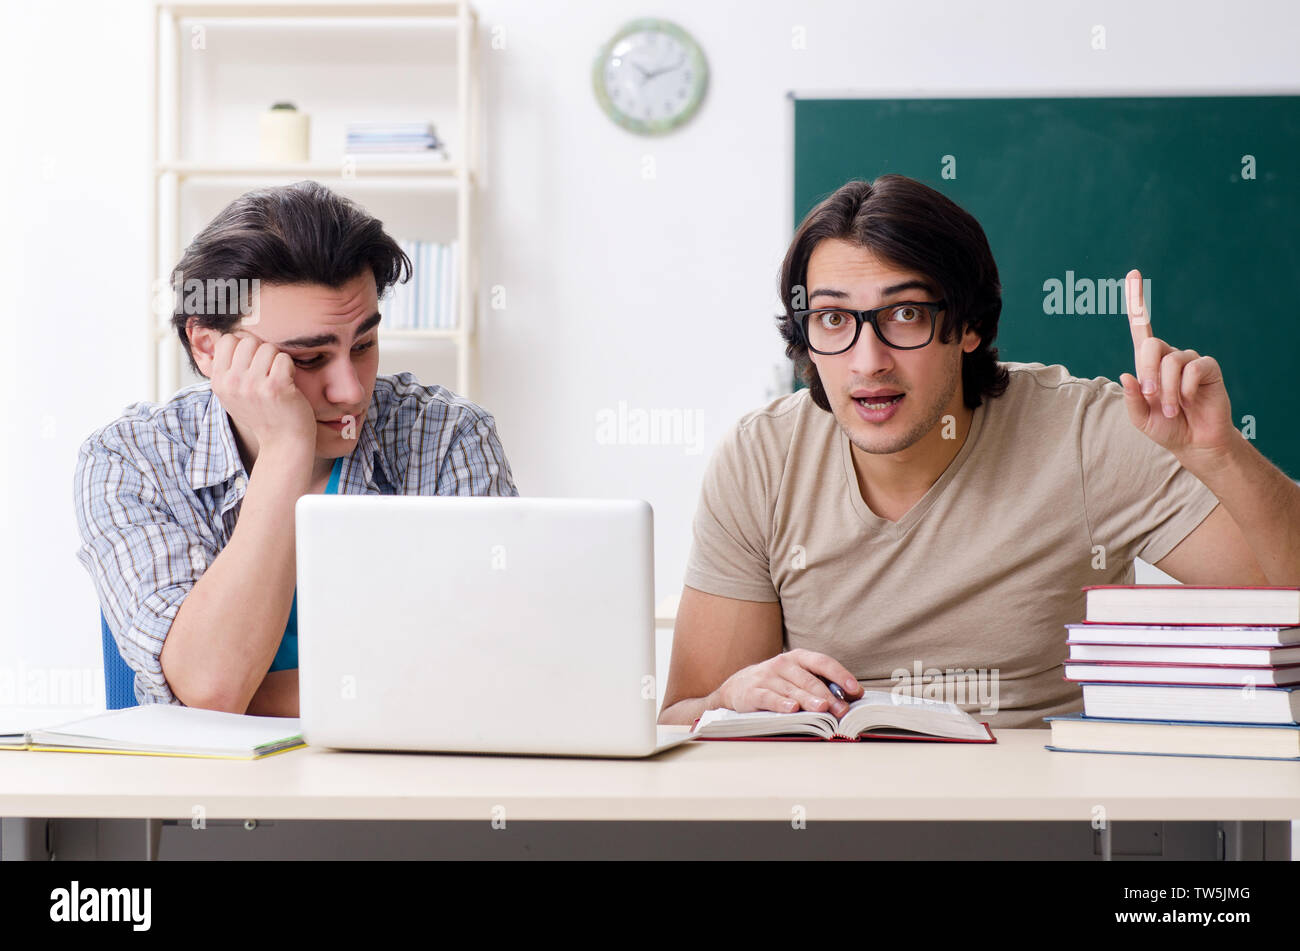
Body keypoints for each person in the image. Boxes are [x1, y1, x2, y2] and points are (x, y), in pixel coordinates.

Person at [659, 174, 1299, 730]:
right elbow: (684, 714)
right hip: (831, 817)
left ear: (968, 325)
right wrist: (728, 698)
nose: (867, 361)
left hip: (1041, 819)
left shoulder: (1088, 434)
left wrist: (1220, 454)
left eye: (905, 314)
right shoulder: (760, 458)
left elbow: (1291, 597)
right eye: (833, 319)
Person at [74, 181, 516, 716]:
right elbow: (215, 686)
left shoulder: (447, 436)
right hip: (210, 798)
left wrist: (250, 695)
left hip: (400, 790)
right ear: (209, 346)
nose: (351, 390)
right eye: (308, 359)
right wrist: (287, 447)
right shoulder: (131, 459)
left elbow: (487, 673)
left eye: (363, 345)